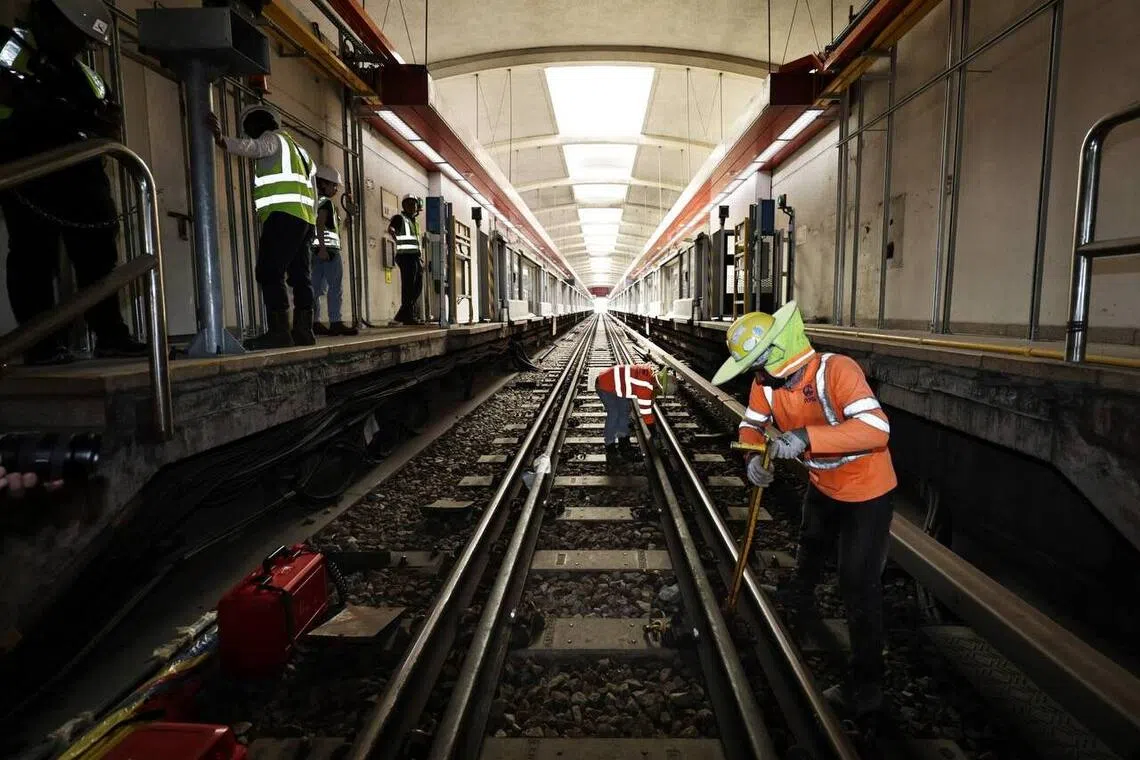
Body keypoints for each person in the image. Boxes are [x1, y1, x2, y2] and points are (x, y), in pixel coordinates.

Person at [711, 301, 896, 719]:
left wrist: (805, 436)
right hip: (823, 483)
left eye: (760, 363)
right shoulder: (767, 383)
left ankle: (868, 684)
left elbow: (877, 429)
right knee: (810, 544)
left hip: (866, 492)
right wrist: (753, 458)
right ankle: (800, 597)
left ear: (779, 352)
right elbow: (751, 426)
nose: (756, 374)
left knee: (857, 583)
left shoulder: (837, 370)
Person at [0, 0, 149, 365]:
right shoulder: (10, 50)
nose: (80, 47)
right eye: (76, 37)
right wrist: (73, 117)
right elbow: (21, 101)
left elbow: (105, 118)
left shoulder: (85, 75)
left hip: (81, 175)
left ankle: (111, 335)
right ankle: (42, 345)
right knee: (34, 258)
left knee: (98, 257)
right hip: (28, 169)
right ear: (53, 21)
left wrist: (95, 123)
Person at [208, 103, 317, 348]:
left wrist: (222, 140)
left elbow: (256, 148)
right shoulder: (302, 151)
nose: (249, 131)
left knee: (269, 270)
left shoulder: (273, 139)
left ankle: (280, 332)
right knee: (301, 276)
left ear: (259, 122)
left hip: (283, 216)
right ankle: (303, 331)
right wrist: (312, 228)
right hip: (304, 220)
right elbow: (313, 189)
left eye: (249, 126)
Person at [594, 363, 676, 466]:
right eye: (660, 391)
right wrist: (654, 432)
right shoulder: (645, 386)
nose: (659, 393)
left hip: (617, 385)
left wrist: (652, 396)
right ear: (658, 386)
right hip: (604, 385)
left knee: (624, 411)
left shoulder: (650, 374)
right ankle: (610, 450)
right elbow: (646, 413)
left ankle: (624, 444)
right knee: (614, 414)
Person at [310, 165, 357, 337]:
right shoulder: (327, 203)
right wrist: (323, 248)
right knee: (335, 288)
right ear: (323, 184)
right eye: (333, 185)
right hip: (328, 253)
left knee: (316, 289)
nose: (336, 189)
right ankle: (335, 322)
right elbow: (320, 224)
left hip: (315, 252)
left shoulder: (314, 201)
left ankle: (314, 322)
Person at [387, 194, 424, 325]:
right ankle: (407, 315)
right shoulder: (400, 218)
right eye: (408, 204)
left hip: (415, 257)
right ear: (404, 206)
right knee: (408, 286)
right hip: (405, 256)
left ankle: (404, 313)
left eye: (413, 204)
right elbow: (391, 228)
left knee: (417, 286)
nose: (412, 206)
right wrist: (394, 235)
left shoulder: (414, 222)